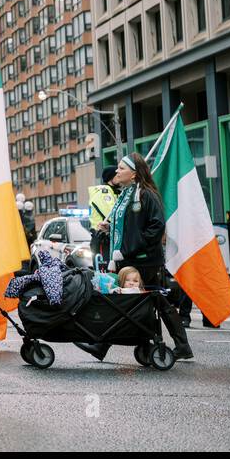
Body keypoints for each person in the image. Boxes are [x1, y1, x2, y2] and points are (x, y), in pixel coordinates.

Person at [80, 153, 192, 361]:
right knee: (137, 302)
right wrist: (110, 227)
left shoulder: (146, 195)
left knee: (143, 301)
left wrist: (131, 248)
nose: (117, 171)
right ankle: (148, 345)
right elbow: (132, 226)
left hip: (145, 260)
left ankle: (102, 346)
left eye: (121, 168)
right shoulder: (125, 195)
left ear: (133, 174)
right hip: (130, 258)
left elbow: (156, 227)